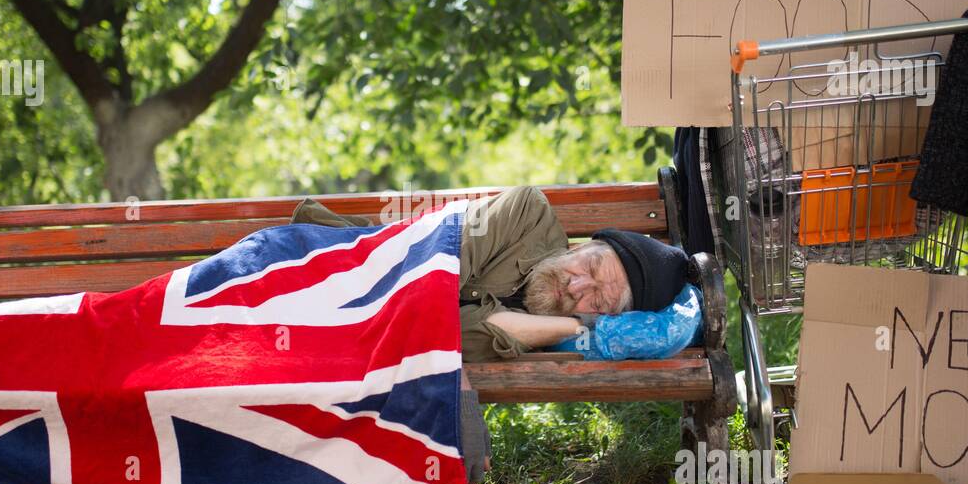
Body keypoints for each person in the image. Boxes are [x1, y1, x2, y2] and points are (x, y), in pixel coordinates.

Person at [291, 185, 691, 364]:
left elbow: (437, 336)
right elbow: (418, 288)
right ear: (581, 245)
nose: (576, 286)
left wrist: (571, 327)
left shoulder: (548, 326)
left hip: (332, 334)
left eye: (597, 301)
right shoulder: (525, 214)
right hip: (305, 268)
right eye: (589, 267)